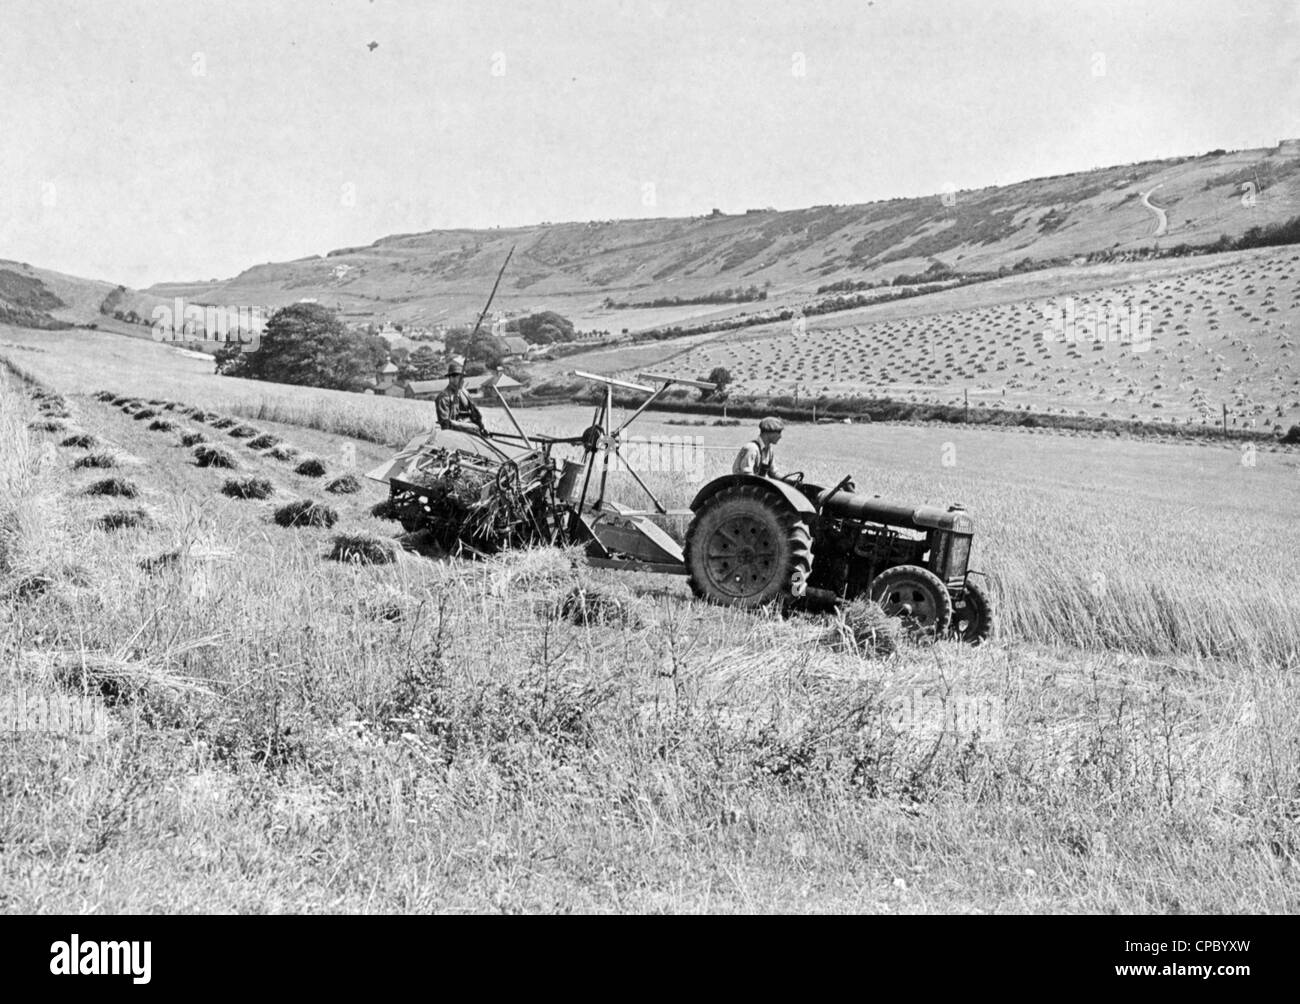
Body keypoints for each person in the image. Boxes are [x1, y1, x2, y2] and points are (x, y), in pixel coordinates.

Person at [435, 358, 485, 431]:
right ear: (451, 378)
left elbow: (476, 415)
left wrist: (482, 428)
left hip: (472, 430)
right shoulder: (443, 398)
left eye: (463, 377)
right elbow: (445, 424)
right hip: (455, 434)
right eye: (460, 378)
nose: (463, 380)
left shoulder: (465, 393)